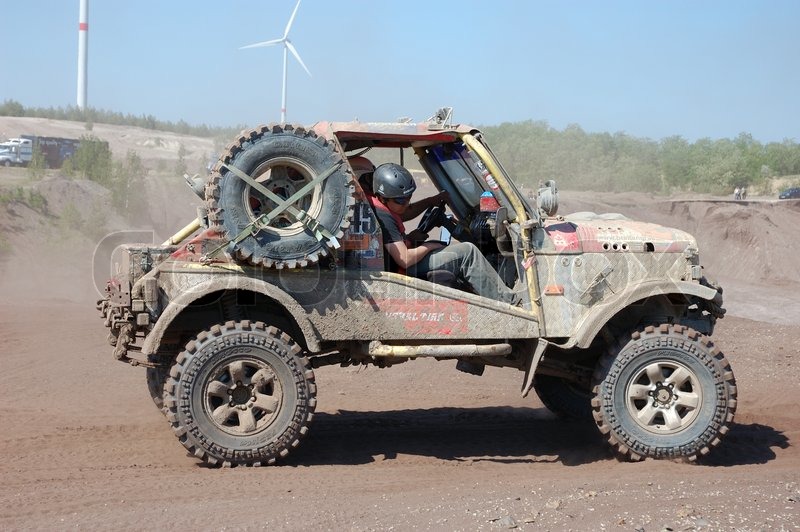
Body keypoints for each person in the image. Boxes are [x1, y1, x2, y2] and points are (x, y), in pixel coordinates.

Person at [369, 162, 520, 306]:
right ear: (382, 197)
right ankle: (509, 304)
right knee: (468, 251)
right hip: (404, 269)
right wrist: (428, 246)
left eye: (409, 198)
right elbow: (405, 259)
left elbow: (405, 214)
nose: (406, 204)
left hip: (402, 263)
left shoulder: (385, 209)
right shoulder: (383, 216)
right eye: (401, 200)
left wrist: (410, 237)